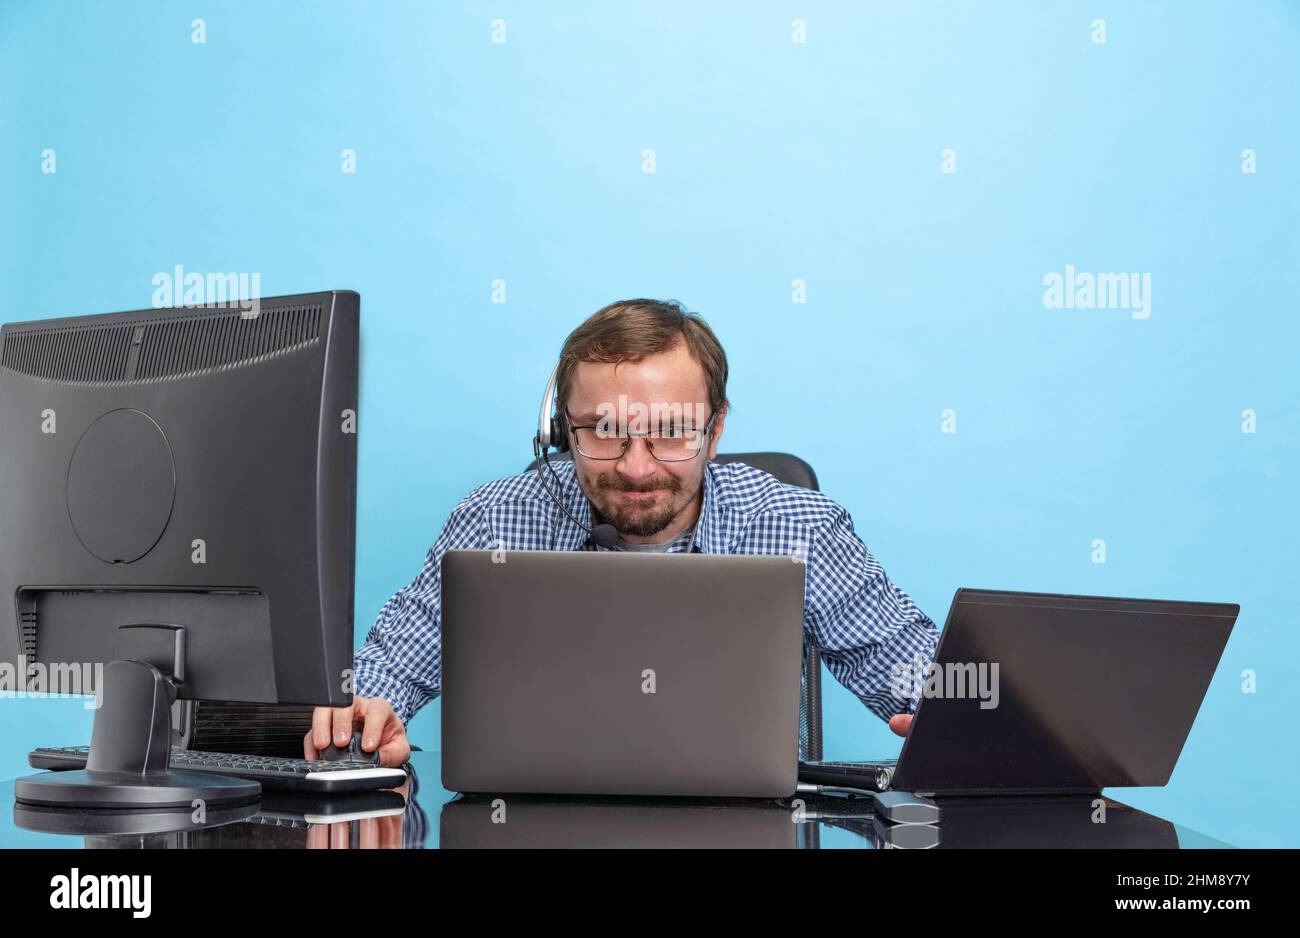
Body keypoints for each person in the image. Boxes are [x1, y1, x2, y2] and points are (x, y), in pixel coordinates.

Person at [306, 299, 938, 767]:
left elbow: (917, 672)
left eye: (672, 432)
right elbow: (386, 668)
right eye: (604, 432)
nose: (638, 467)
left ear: (715, 433)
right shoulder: (494, 521)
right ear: (561, 431)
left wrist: (958, 712)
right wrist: (363, 713)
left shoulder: (796, 524)